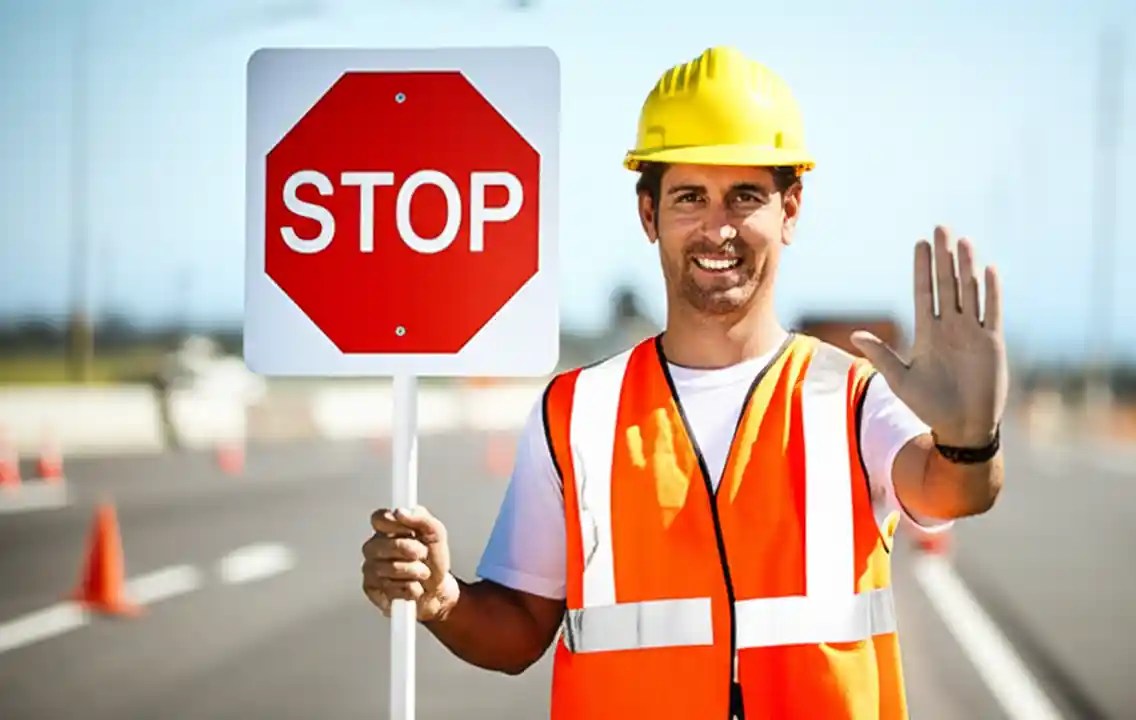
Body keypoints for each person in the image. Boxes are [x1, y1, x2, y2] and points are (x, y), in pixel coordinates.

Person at [361, 45, 1007, 719]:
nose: (718, 227)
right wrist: (443, 600)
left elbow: (952, 489)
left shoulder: (848, 396)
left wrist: (969, 436)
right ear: (649, 215)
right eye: (689, 197)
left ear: (790, 210)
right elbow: (521, 626)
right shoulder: (577, 413)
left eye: (745, 196)